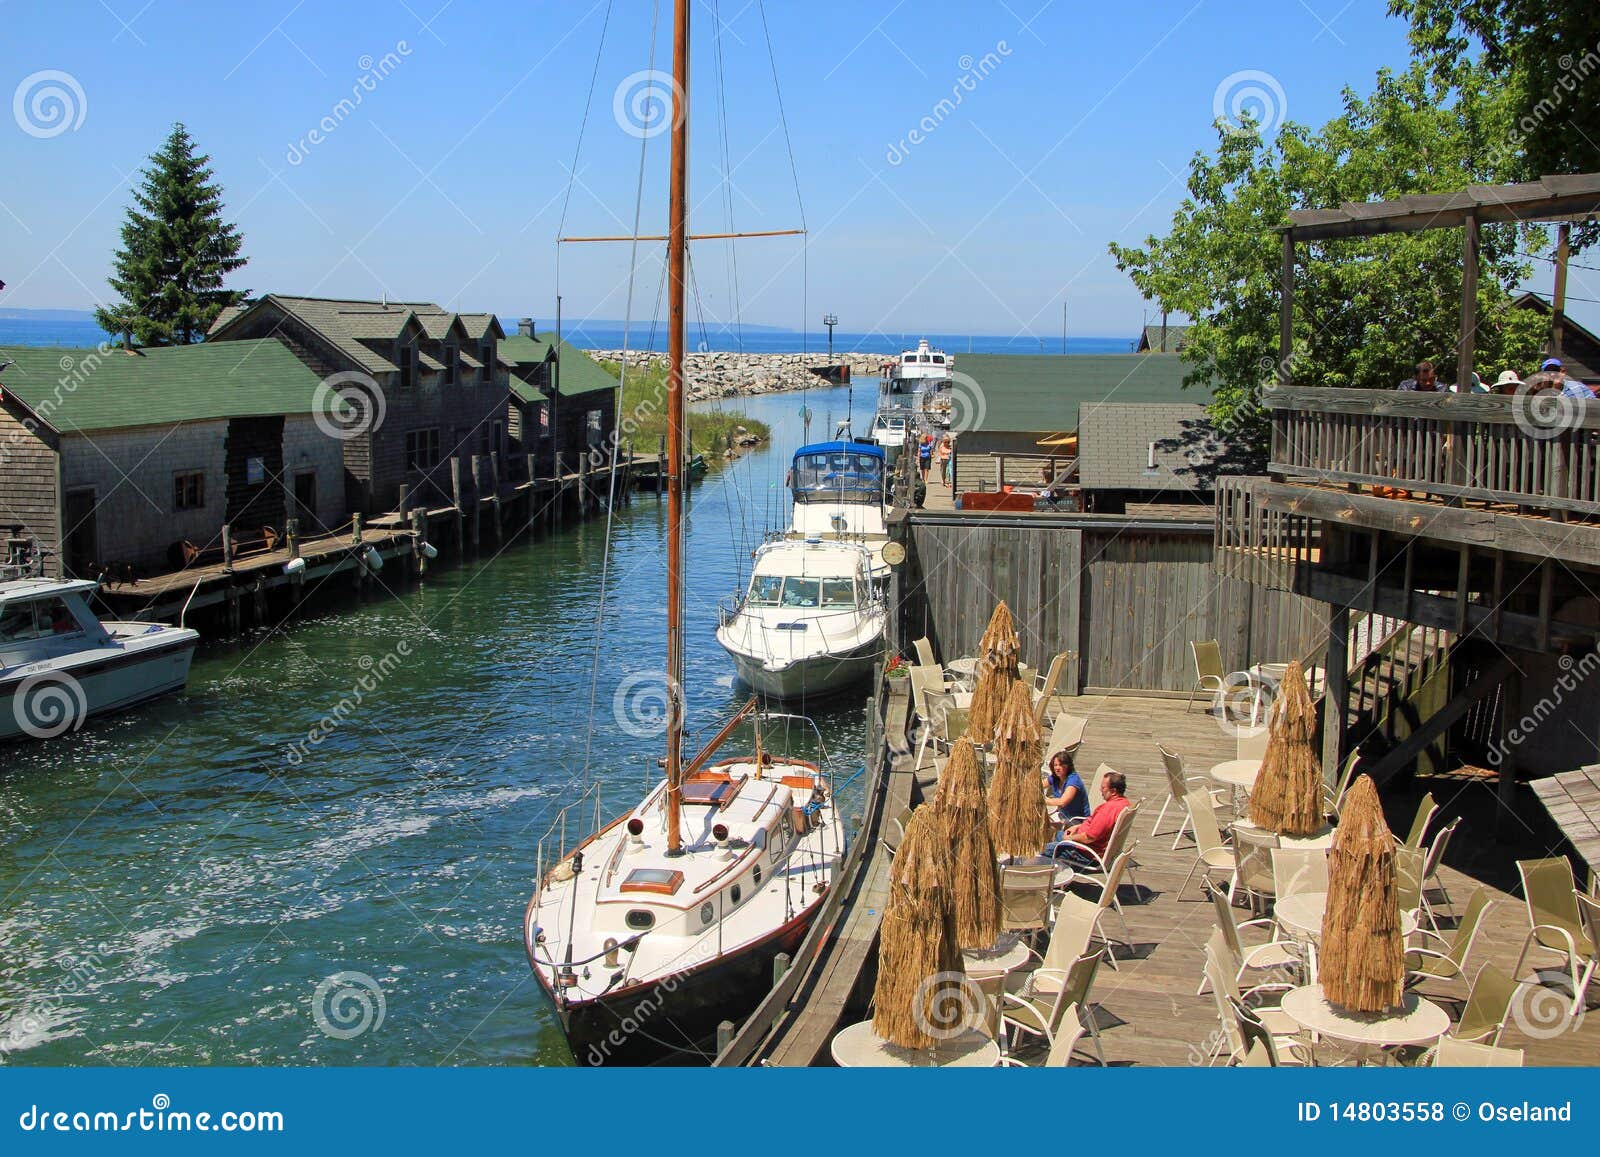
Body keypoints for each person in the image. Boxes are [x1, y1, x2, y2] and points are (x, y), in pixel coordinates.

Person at [1051, 771, 1130, 868]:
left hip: (1083, 852)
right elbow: (1098, 827)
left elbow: (1089, 838)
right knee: (1051, 834)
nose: (1101, 790)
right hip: (1084, 843)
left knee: (1040, 850)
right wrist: (1077, 827)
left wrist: (1069, 838)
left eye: (1103, 788)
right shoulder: (1124, 804)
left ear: (1113, 791)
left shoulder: (1107, 811)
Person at [1043, 750, 1090, 834]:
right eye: (1055, 765)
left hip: (1076, 822)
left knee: (1044, 828)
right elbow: (1040, 785)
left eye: (1061, 765)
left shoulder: (1073, 781)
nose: (1057, 768)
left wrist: (1043, 800)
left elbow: (1062, 802)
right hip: (1062, 817)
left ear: (1068, 766)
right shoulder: (1055, 778)